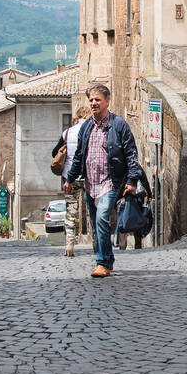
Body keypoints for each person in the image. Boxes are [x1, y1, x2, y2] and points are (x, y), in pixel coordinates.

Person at [63, 83, 142, 278]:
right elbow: (79, 156)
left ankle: (102, 263)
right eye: (91, 100)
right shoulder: (86, 127)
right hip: (91, 183)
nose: (93, 103)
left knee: (102, 218)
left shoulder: (119, 125)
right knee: (96, 223)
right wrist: (70, 178)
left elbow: (131, 154)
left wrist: (132, 180)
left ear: (107, 101)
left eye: (97, 99)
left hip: (111, 182)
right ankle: (108, 257)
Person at [56, 102, 91, 257]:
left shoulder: (67, 133)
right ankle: (97, 242)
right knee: (93, 209)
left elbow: (54, 153)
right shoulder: (92, 131)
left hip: (70, 176)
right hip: (89, 175)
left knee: (71, 211)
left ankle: (69, 244)